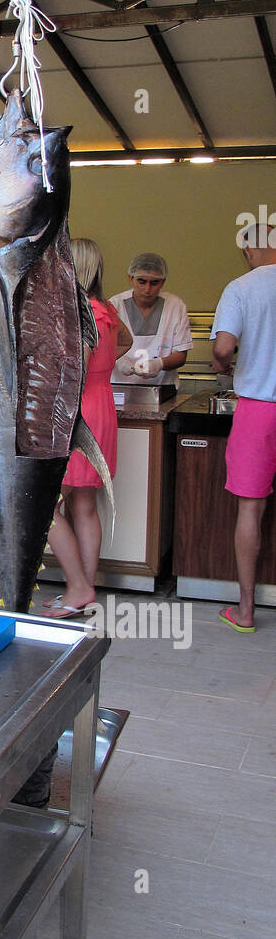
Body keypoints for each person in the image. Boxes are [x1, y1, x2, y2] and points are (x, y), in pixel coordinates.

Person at [43, 239, 132, 618]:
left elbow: (70, 371)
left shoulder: (77, 313)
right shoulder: (107, 309)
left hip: (75, 412)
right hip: (101, 407)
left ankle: (78, 587)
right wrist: (104, 369)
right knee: (84, 504)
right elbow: (124, 340)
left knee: (44, 504)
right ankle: (85, 590)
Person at [211, 220, 276, 633]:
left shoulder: (241, 288)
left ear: (248, 250)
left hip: (259, 408)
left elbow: (222, 347)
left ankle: (245, 611)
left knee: (250, 509)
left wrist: (224, 365)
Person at [110, 253, 192, 388]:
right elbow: (100, 349)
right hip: (120, 387)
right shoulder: (114, 306)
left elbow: (181, 354)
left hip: (162, 388)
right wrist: (117, 360)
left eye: (154, 283)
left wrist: (159, 364)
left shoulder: (175, 306)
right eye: (141, 281)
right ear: (131, 278)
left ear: (163, 282)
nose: (147, 289)